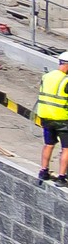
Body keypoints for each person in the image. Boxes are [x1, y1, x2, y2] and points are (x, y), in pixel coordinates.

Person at [42, 51, 68, 181]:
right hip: (62, 119)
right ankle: (62, 177)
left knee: (49, 144)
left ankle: (43, 171)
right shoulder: (66, 80)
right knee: (66, 148)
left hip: (46, 117)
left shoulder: (47, 76)